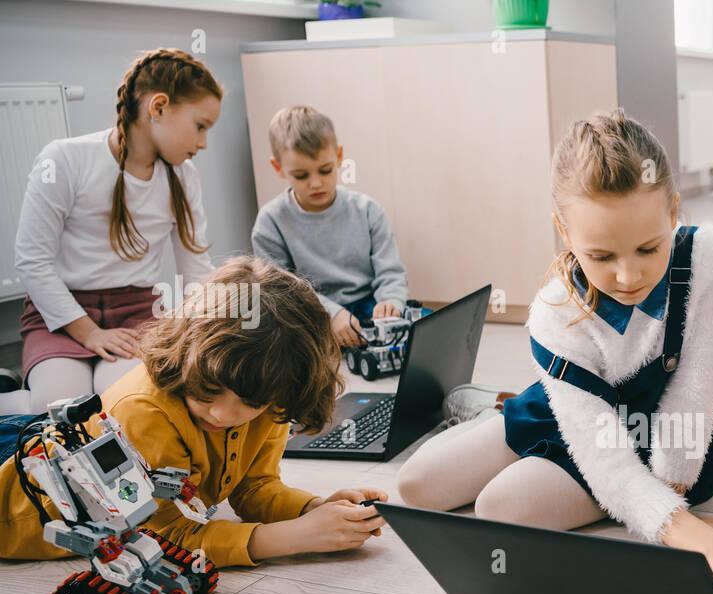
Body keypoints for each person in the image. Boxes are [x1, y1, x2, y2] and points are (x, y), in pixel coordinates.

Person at [398, 108, 713, 594]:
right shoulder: (552, 314)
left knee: (500, 507)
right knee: (415, 486)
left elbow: (692, 403)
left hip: (671, 441)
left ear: (673, 211)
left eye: (649, 248)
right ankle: (491, 410)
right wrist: (688, 533)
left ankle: (506, 425)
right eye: (601, 255)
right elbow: (602, 458)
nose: (628, 275)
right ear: (564, 230)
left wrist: (675, 522)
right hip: (580, 423)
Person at [0, 257, 388, 566]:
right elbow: (163, 538)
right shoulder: (145, 411)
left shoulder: (270, 391)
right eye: (209, 390)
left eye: (249, 404)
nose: (221, 414)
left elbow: (254, 488)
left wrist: (316, 510)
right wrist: (294, 538)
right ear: (188, 350)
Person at [14, 48, 221, 413]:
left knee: (126, 405)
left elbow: (195, 269)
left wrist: (210, 335)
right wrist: (90, 334)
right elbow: (32, 262)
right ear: (158, 107)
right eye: (200, 126)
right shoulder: (63, 159)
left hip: (137, 315)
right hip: (61, 317)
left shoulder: (184, 176)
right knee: (60, 407)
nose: (203, 143)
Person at [251, 105, 408, 349]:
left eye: (325, 170)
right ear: (278, 168)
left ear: (339, 157)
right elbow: (284, 290)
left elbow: (391, 272)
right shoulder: (270, 221)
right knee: (276, 344)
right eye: (301, 175)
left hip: (368, 306)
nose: (316, 183)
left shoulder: (367, 210)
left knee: (426, 326)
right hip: (311, 312)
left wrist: (391, 303)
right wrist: (332, 314)